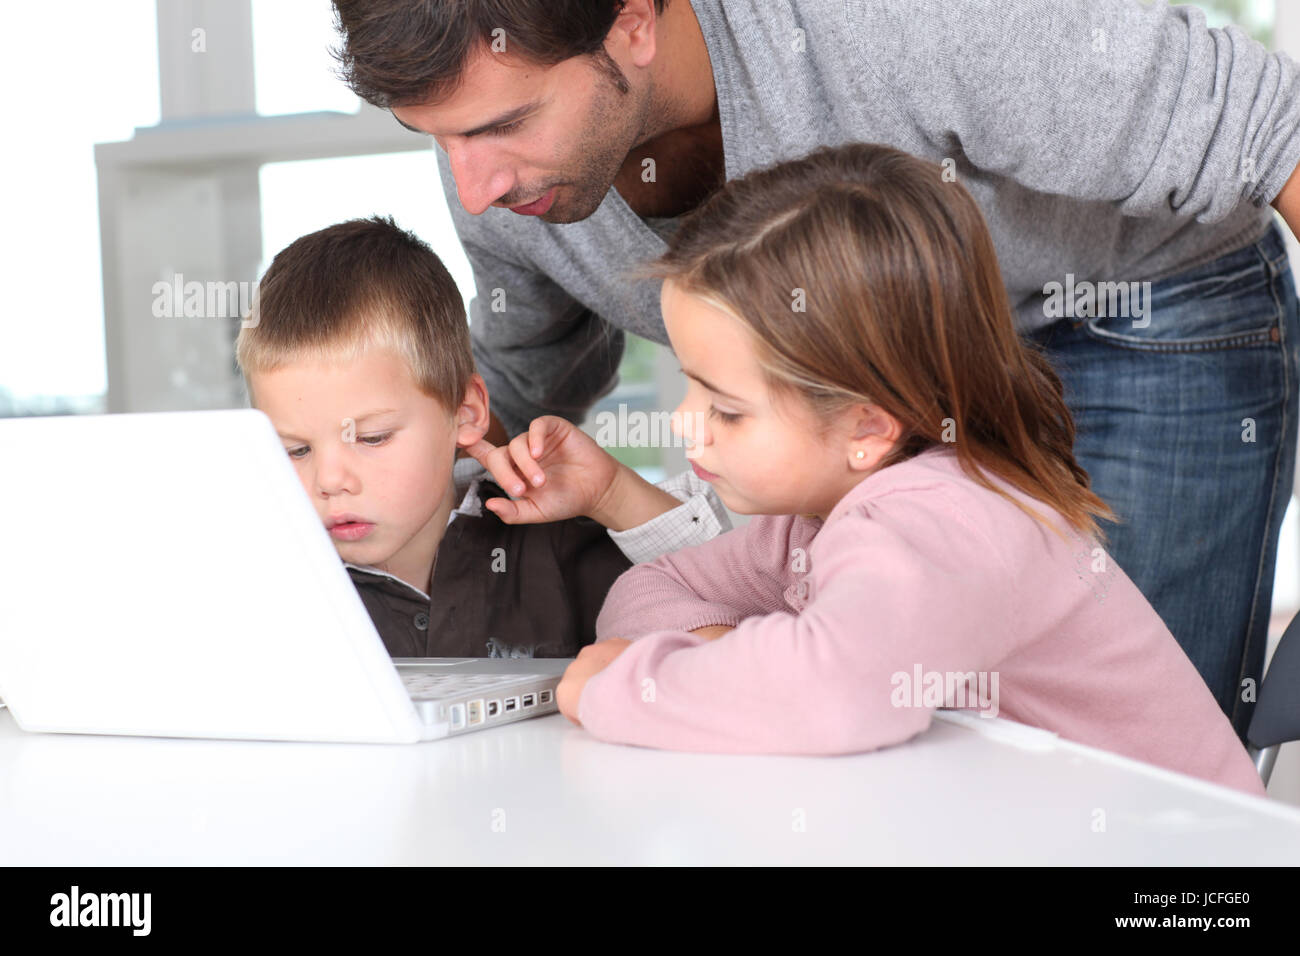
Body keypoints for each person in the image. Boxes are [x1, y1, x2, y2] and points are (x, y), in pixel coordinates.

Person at [329, 0, 1300, 740]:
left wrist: (662, 677)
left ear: (632, 25)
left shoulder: (888, 22)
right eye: (439, 138)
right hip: (890, 394)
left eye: (504, 124)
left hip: (1136, 307)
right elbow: (517, 391)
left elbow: (1274, 131)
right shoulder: (504, 193)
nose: (473, 188)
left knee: (1108, 756)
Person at [556, 142, 1265, 797]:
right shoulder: (814, 521)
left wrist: (624, 689)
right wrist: (731, 649)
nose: (684, 422)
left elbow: (833, 694)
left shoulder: (945, 519)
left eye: (727, 408)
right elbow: (653, 587)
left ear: (866, 427)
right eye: (690, 386)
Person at [234, 215, 728, 658]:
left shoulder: (551, 542)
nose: (330, 479)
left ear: (465, 414)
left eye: (373, 438)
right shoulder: (271, 580)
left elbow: (731, 601)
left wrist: (613, 495)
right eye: (295, 450)